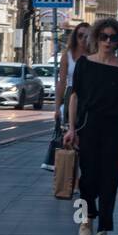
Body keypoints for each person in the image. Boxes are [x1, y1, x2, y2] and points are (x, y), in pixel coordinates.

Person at [63, 17, 118, 235]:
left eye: (113, 38)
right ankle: (85, 218)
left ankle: (103, 231)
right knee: (88, 179)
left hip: (114, 129)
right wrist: (71, 128)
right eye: (104, 37)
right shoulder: (85, 64)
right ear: (97, 38)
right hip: (88, 126)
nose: (108, 42)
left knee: (109, 181)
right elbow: (74, 97)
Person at [43, 22, 90, 172]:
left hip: (89, 99)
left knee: (86, 139)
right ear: (75, 37)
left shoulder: (95, 55)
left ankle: (82, 173)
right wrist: (57, 107)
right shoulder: (67, 56)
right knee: (69, 138)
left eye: (87, 36)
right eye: (80, 35)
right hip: (71, 98)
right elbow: (61, 82)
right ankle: (71, 177)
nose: (83, 39)